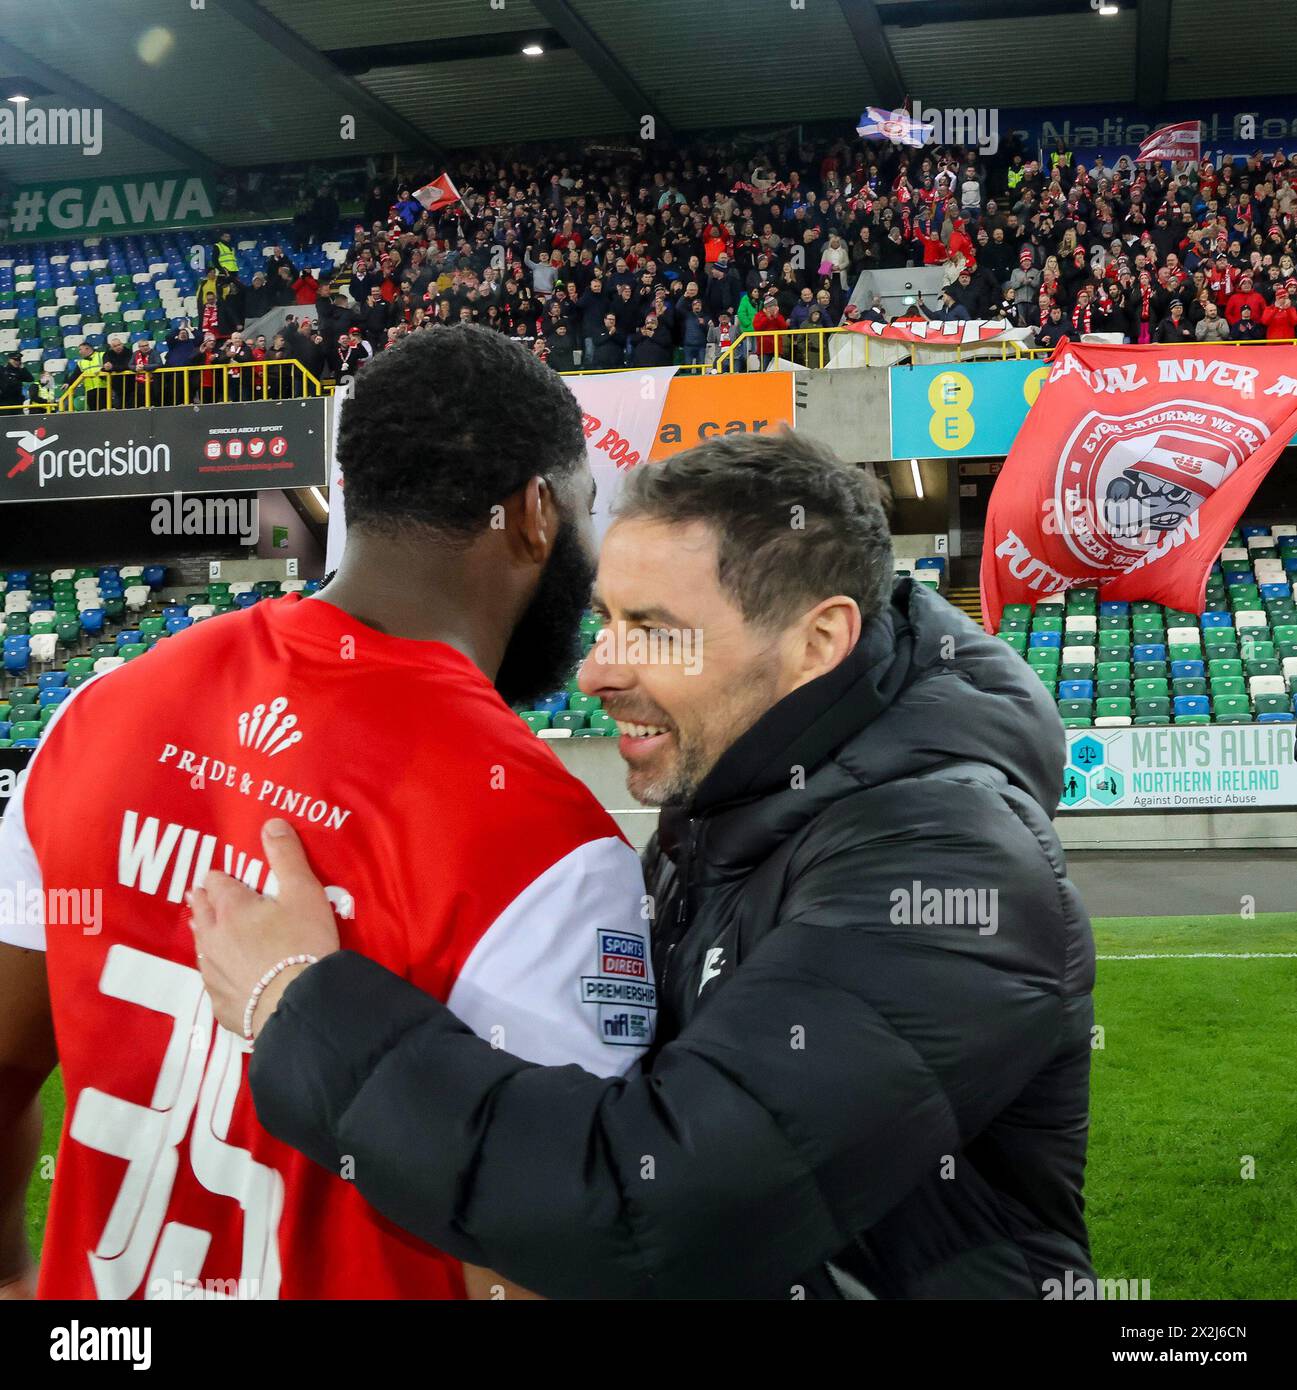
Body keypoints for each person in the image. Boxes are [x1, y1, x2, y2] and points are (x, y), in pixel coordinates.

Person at [190, 430, 1096, 1302]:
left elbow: (651, 1211)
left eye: (653, 631)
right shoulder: (734, 807)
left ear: (818, 643)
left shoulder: (945, 867)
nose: (595, 672)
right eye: (605, 621)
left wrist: (294, 1003)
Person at [0, 326, 652, 1302]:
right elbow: (547, 1263)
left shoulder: (101, 710)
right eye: (588, 512)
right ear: (533, 515)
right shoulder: (552, 847)